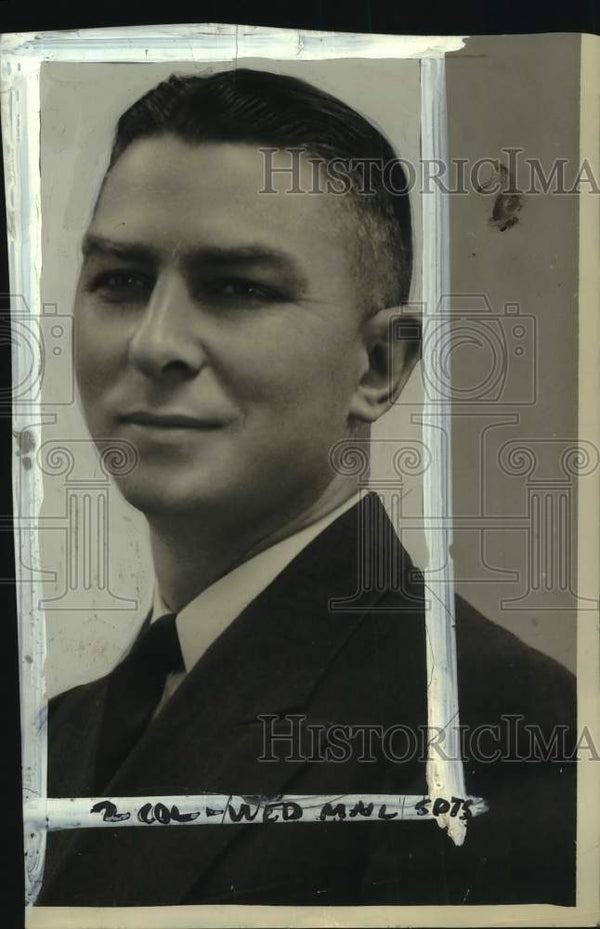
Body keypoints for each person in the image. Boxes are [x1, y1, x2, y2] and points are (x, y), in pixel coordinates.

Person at [38, 68, 576, 907]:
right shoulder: (57, 733)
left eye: (238, 288)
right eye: (121, 280)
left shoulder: (490, 726)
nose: (153, 344)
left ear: (379, 365)